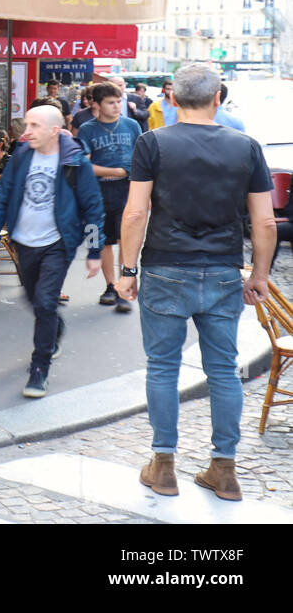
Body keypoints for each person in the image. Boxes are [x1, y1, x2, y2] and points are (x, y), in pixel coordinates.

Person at [118, 63, 275, 502]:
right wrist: (260, 274)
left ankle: (163, 464)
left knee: (163, 367)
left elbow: (135, 213)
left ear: (171, 98)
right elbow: (264, 220)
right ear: (217, 98)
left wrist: (127, 271)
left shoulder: (153, 143)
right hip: (223, 268)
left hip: (166, 267)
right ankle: (224, 468)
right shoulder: (245, 147)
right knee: (224, 371)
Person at [0, 106, 104, 399]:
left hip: (57, 244)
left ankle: (40, 368)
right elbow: (1, 197)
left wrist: (94, 250)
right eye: (27, 124)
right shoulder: (22, 157)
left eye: (34, 125)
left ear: (53, 130)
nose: (26, 131)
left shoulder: (75, 162)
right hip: (24, 242)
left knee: (46, 301)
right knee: (35, 300)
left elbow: (93, 208)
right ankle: (55, 325)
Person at [77, 81, 142, 314]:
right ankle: (110, 286)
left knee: (127, 240)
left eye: (118, 102)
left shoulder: (132, 125)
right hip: (100, 192)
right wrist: (116, 171)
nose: (116, 106)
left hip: (128, 190)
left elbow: (142, 159)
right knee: (104, 241)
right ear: (97, 104)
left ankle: (125, 286)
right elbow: (83, 165)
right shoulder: (87, 129)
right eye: (111, 102)